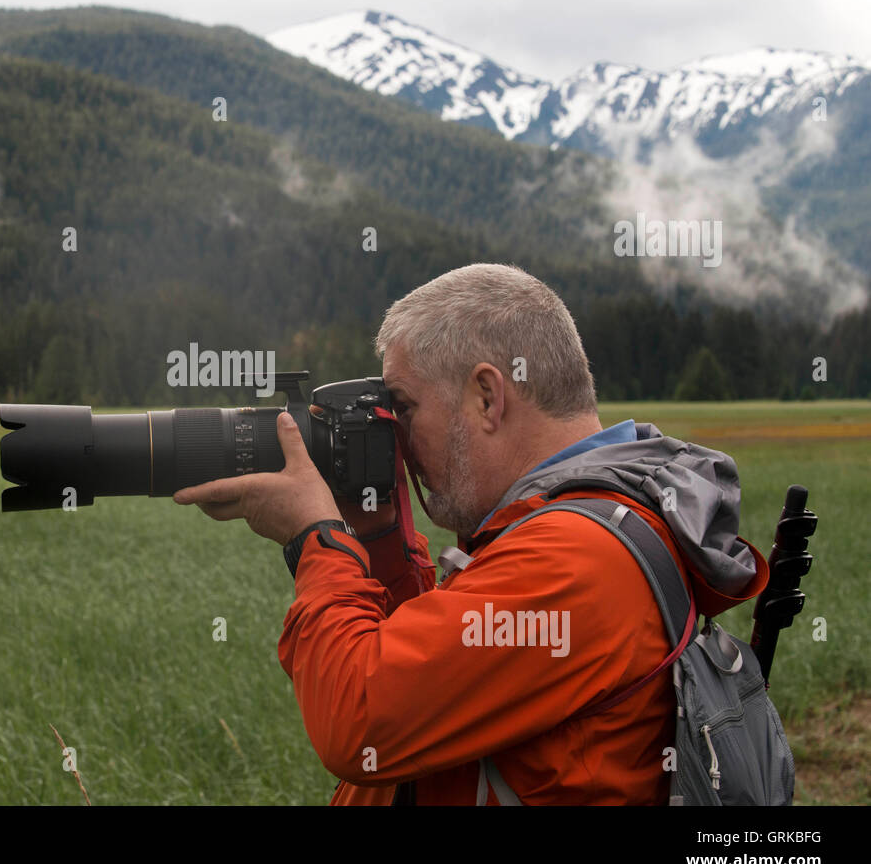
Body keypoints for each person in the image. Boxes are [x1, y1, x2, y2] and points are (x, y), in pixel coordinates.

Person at [173, 263, 769, 804]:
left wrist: (314, 538)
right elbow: (431, 681)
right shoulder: (577, 525)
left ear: (487, 397)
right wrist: (379, 537)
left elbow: (361, 721)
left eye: (402, 408)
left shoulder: (575, 559)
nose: (395, 440)